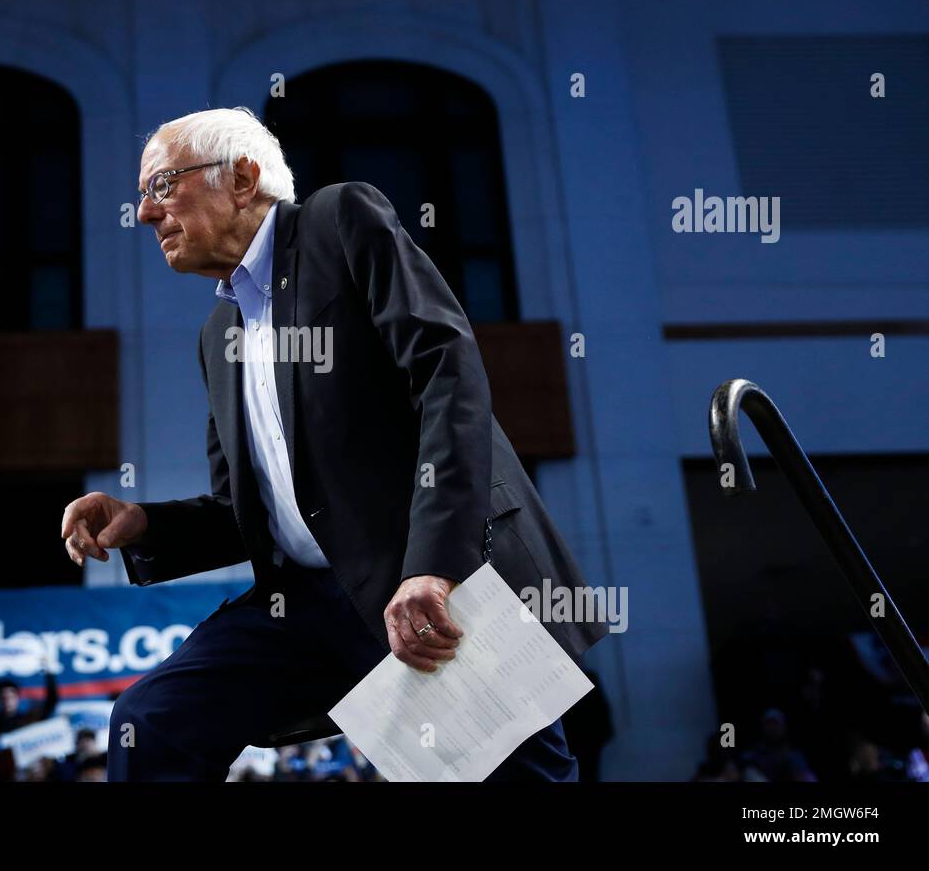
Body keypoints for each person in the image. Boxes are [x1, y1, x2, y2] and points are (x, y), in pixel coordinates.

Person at [62, 106, 607, 781]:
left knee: (516, 777)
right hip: (302, 607)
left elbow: (450, 376)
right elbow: (246, 512)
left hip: (420, 580)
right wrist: (144, 523)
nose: (146, 214)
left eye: (162, 185)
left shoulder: (338, 222)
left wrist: (432, 566)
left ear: (242, 177)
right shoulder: (217, 336)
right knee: (151, 724)